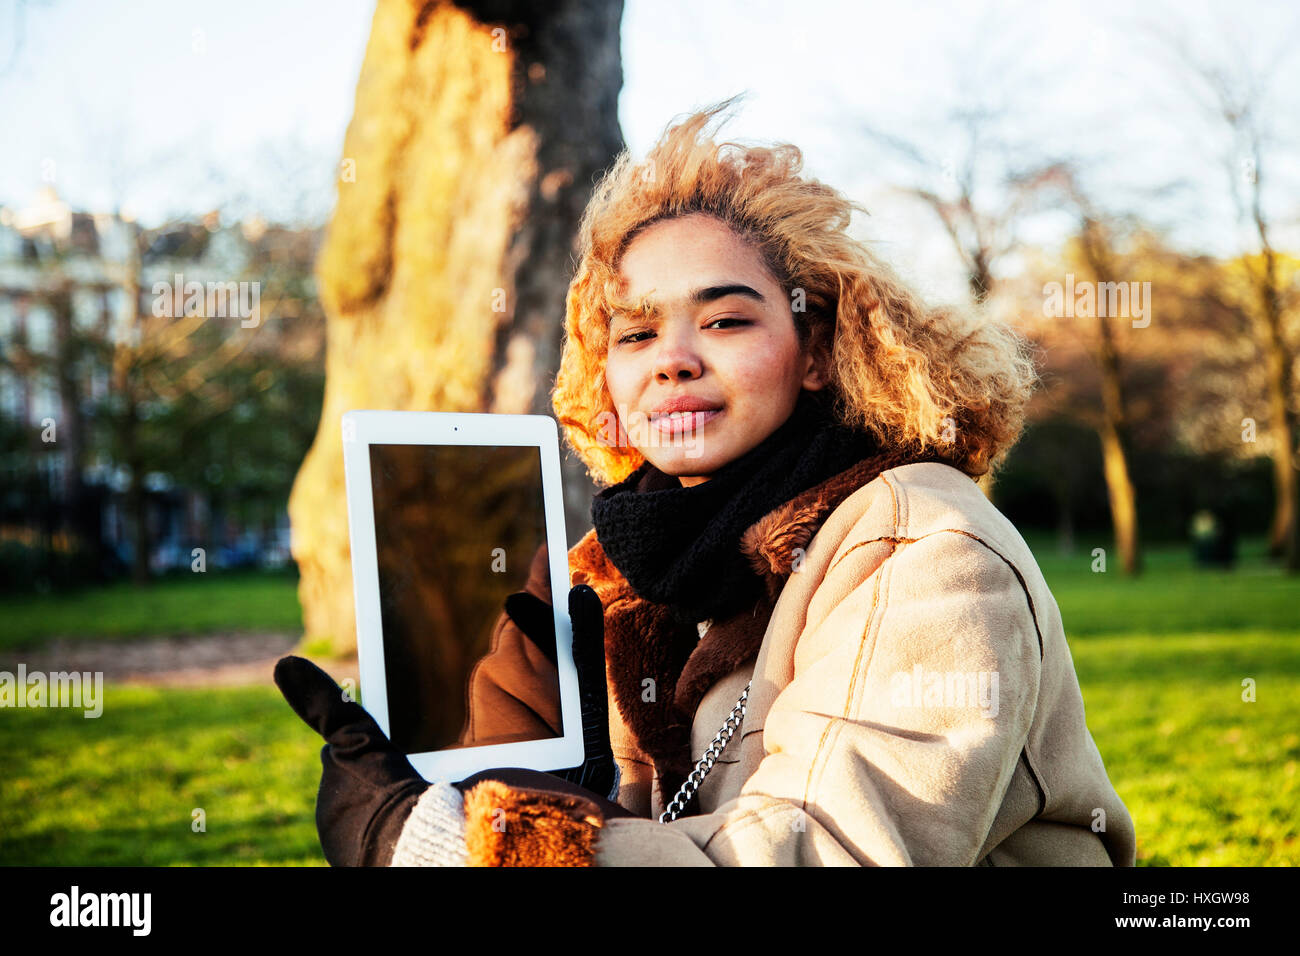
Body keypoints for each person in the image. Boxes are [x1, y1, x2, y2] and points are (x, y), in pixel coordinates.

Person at [275, 96, 1137, 867]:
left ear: (816, 350)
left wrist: (438, 845)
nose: (673, 362)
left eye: (725, 319)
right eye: (636, 334)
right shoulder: (619, 573)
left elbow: (832, 852)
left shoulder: (923, 550)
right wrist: (526, 777)